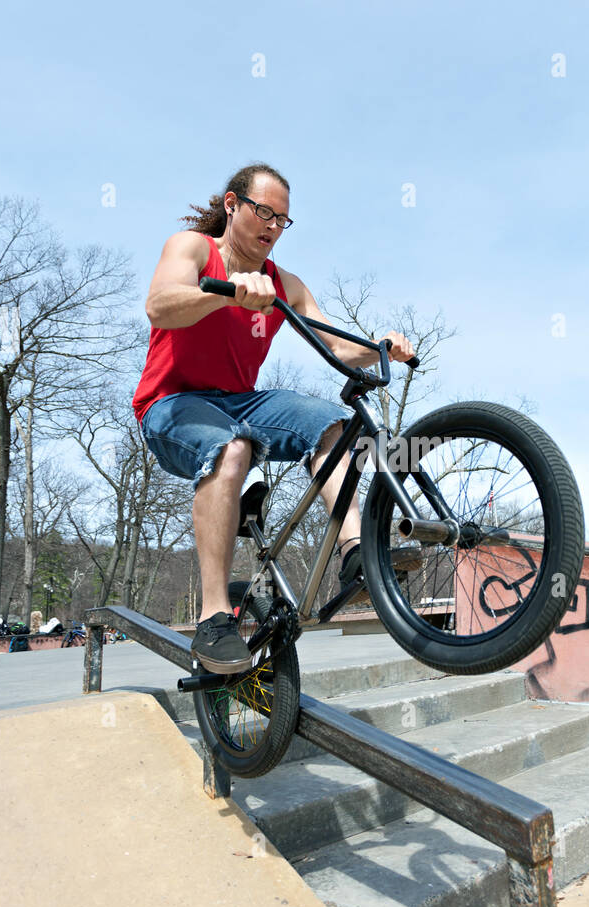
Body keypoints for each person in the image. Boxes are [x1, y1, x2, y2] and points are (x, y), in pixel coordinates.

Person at [132, 163, 416, 675]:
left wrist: (379, 348)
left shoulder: (283, 283)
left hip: (239, 402)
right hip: (170, 404)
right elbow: (160, 306)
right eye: (262, 211)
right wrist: (221, 294)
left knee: (335, 423)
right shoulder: (194, 249)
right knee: (231, 447)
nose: (271, 226)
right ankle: (214, 617)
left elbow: (337, 347)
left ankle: (355, 551)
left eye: (282, 220)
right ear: (232, 205)